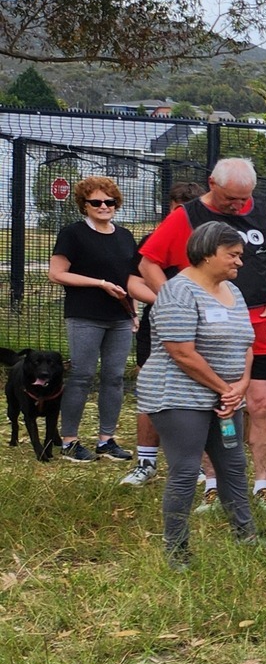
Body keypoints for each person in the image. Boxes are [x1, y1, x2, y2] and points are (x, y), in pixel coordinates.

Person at [137, 157, 266, 515]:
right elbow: (148, 262)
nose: (238, 207)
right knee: (212, 405)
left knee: (263, 404)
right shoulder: (186, 216)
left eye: (244, 199)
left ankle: (263, 485)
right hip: (208, 328)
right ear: (212, 183)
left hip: (258, 320)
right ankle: (212, 484)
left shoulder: (258, 211)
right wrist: (176, 301)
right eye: (230, 199)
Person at [135, 220, 266, 567]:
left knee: (233, 465)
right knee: (186, 470)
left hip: (225, 399)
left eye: (240, 255)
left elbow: (247, 343)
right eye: (232, 255)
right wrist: (225, 389)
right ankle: (176, 549)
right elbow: (181, 351)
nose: (239, 262)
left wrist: (241, 385)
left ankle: (247, 537)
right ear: (207, 254)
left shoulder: (233, 291)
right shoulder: (178, 292)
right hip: (179, 397)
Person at [49, 174, 139, 463]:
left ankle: (106, 439)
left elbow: (130, 278)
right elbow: (57, 273)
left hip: (120, 317)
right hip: (85, 315)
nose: (104, 206)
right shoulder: (73, 233)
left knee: (114, 378)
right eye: (96, 202)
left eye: (109, 201)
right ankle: (70, 441)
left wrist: (133, 311)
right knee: (82, 376)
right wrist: (99, 284)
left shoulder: (125, 235)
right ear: (84, 205)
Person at [118, 181, 202, 486]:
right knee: (150, 392)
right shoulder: (153, 238)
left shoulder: (209, 242)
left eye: (187, 210)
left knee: (201, 394)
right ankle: (146, 462)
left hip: (201, 328)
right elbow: (133, 283)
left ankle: (202, 467)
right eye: (176, 208)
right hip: (159, 325)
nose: (179, 215)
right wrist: (168, 301)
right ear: (170, 207)